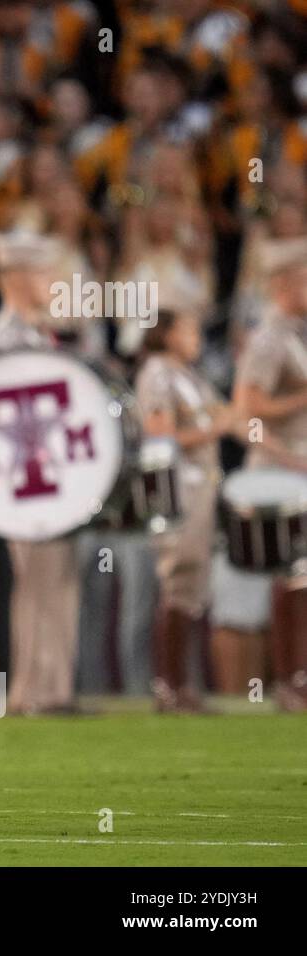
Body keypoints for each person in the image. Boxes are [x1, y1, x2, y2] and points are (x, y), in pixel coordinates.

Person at [0, 230, 83, 715]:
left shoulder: (38, 333)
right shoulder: (6, 337)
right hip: (26, 480)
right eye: (44, 273)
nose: (53, 282)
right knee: (39, 579)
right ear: (17, 278)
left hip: (50, 476)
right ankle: (35, 690)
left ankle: (53, 687)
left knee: (57, 578)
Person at [136, 307, 233, 712]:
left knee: (193, 585)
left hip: (201, 484)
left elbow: (227, 414)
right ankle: (168, 685)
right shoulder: (158, 373)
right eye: (189, 329)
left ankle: (182, 684)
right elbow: (160, 433)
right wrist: (216, 429)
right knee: (179, 579)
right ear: (168, 334)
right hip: (177, 487)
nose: (196, 337)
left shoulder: (188, 375)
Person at [232, 236, 307, 712]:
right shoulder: (269, 337)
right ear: (283, 282)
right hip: (281, 469)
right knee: (291, 574)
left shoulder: (297, 334)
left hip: (299, 466)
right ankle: (288, 681)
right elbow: (249, 408)